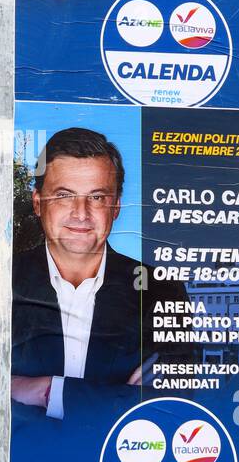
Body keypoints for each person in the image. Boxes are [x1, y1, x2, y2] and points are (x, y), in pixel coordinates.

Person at [11, 127, 193, 418]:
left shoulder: (161, 290)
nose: (81, 213)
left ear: (116, 206)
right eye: (64, 195)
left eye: (96, 197)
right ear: (37, 203)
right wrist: (116, 394)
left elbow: (168, 403)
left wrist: (43, 390)